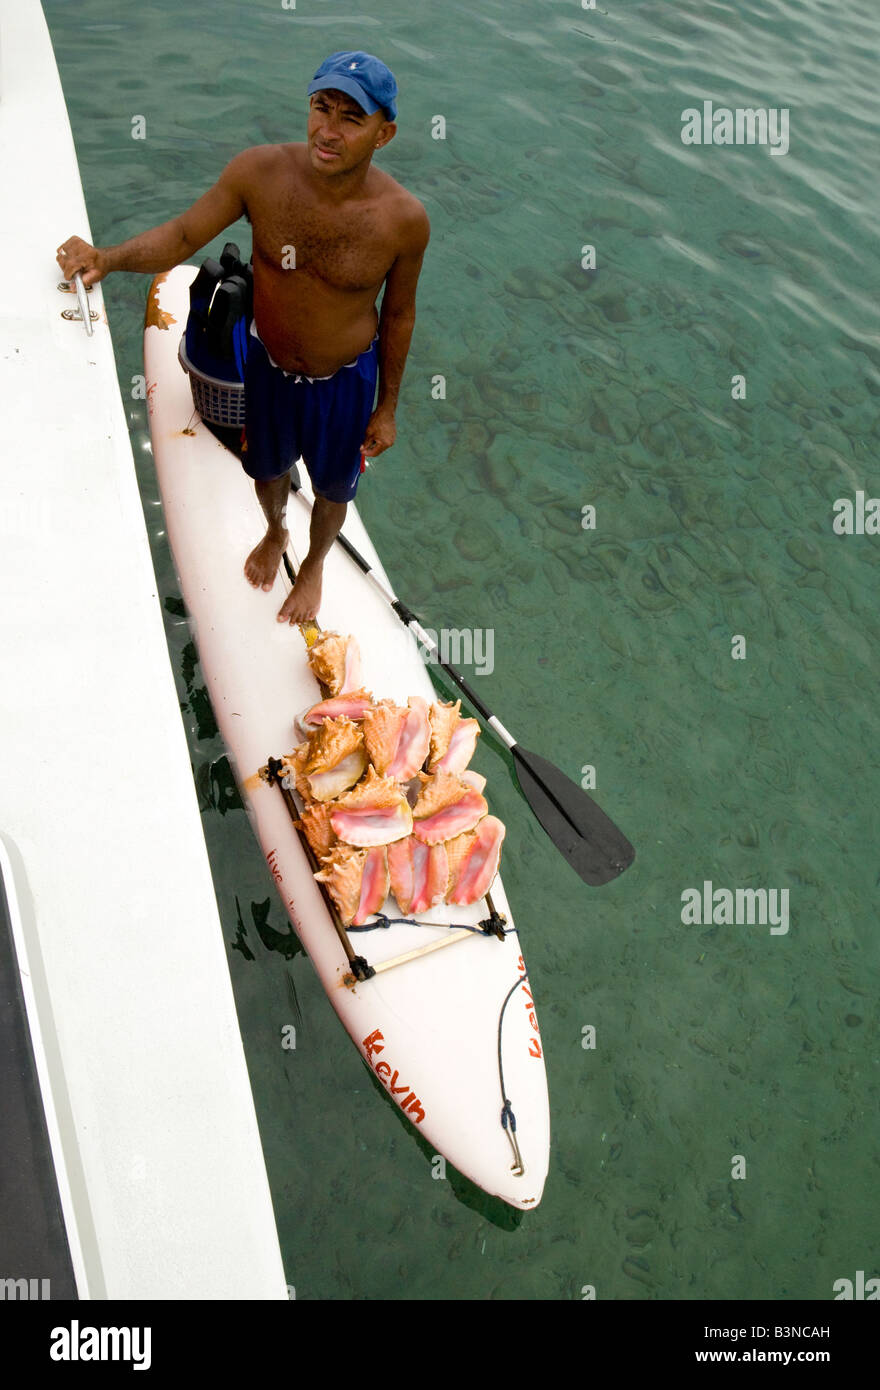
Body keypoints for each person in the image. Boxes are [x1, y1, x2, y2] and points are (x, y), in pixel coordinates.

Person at [56, 51, 429, 624]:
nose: (327, 131)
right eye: (320, 107)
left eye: (351, 119)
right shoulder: (259, 174)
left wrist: (389, 408)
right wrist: (106, 256)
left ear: (385, 134)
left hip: (345, 383)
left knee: (334, 491)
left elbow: (399, 315)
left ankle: (313, 567)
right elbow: (183, 234)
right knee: (267, 471)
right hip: (269, 368)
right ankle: (277, 531)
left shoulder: (403, 220)